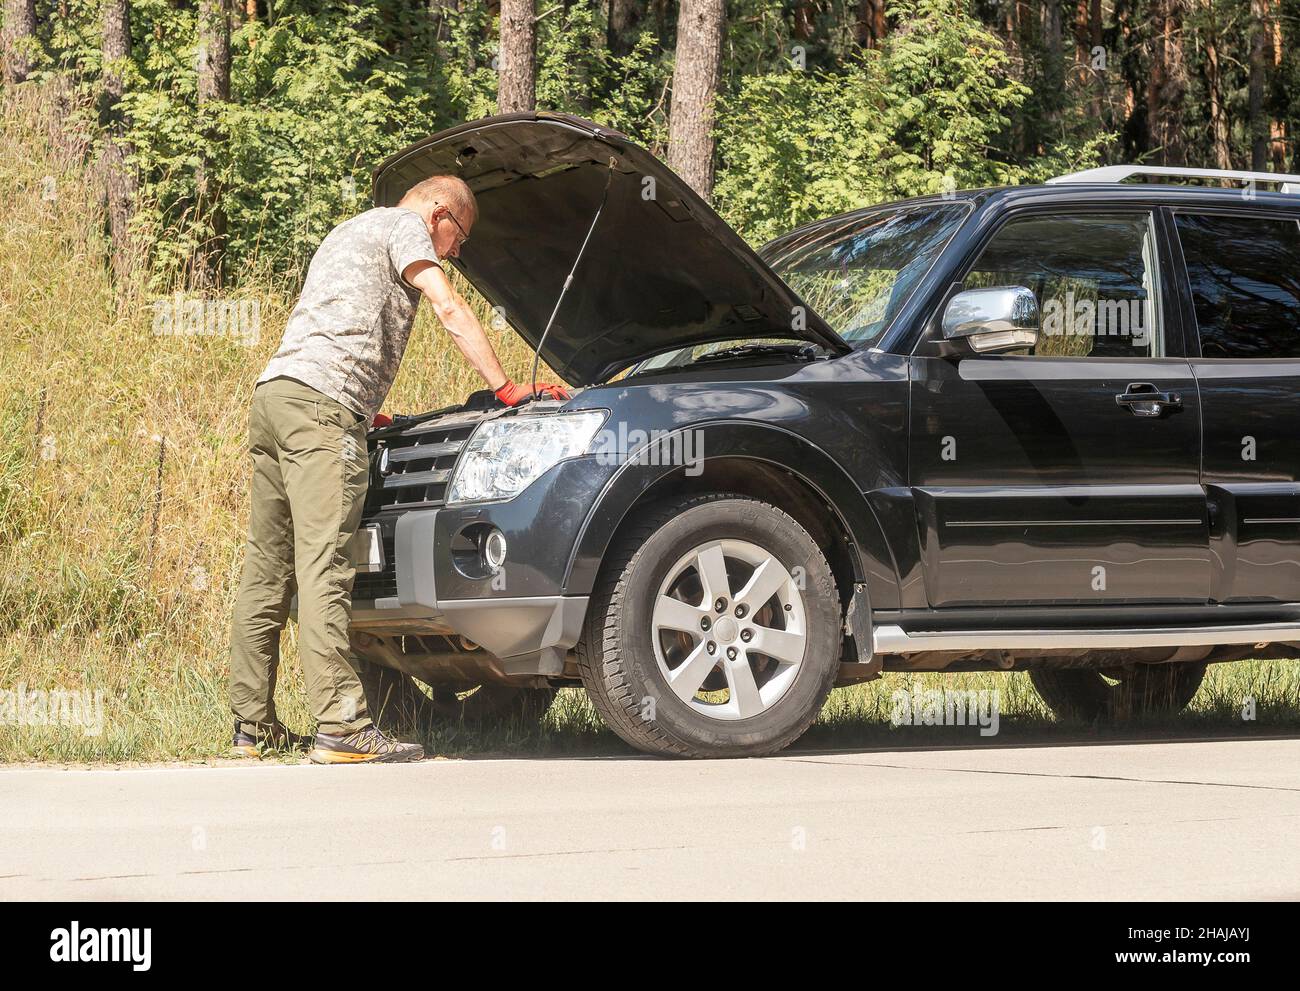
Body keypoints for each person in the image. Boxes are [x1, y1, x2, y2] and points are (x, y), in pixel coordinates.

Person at [228, 175, 568, 764]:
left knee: (266, 568)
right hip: (321, 409)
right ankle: (341, 727)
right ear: (440, 213)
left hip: (276, 395)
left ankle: (250, 727)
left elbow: (333, 325)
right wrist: (506, 388)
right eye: (458, 237)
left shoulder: (347, 230)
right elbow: (448, 306)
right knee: (324, 567)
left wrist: (361, 407)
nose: (455, 251)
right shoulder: (406, 228)